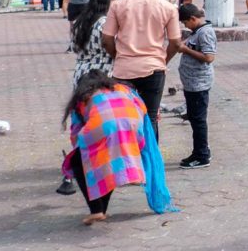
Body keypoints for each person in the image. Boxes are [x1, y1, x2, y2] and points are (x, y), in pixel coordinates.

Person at [61, 71, 176, 225]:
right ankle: (101, 210)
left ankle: (96, 210)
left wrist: (83, 154)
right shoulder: (123, 90)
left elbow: (76, 134)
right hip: (132, 127)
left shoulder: (83, 97)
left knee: (79, 163)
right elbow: (142, 109)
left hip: (102, 127)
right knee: (111, 166)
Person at [101, 0, 181, 138]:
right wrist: (163, 60)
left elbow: (107, 39)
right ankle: (150, 162)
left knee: (123, 117)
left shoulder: (118, 5)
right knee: (150, 116)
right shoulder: (168, 8)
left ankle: (128, 160)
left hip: (124, 69)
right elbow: (175, 42)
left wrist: (118, 56)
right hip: (153, 68)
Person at [176, 3, 215, 169]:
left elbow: (209, 57)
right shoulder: (197, 31)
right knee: (194, 117)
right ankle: (201, 149)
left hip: (199, 83)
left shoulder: (205, 33)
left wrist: (185, 50)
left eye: (185, 23)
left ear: (193, 18)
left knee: (198, 120)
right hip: (192, 83)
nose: (185, 26)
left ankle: (202, 155)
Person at [71, 0, 114, 86]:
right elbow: (110, 44)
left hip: (81, 72)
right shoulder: (105, 23)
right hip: (103, 73)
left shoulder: (79, 22)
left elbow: (74, 47)